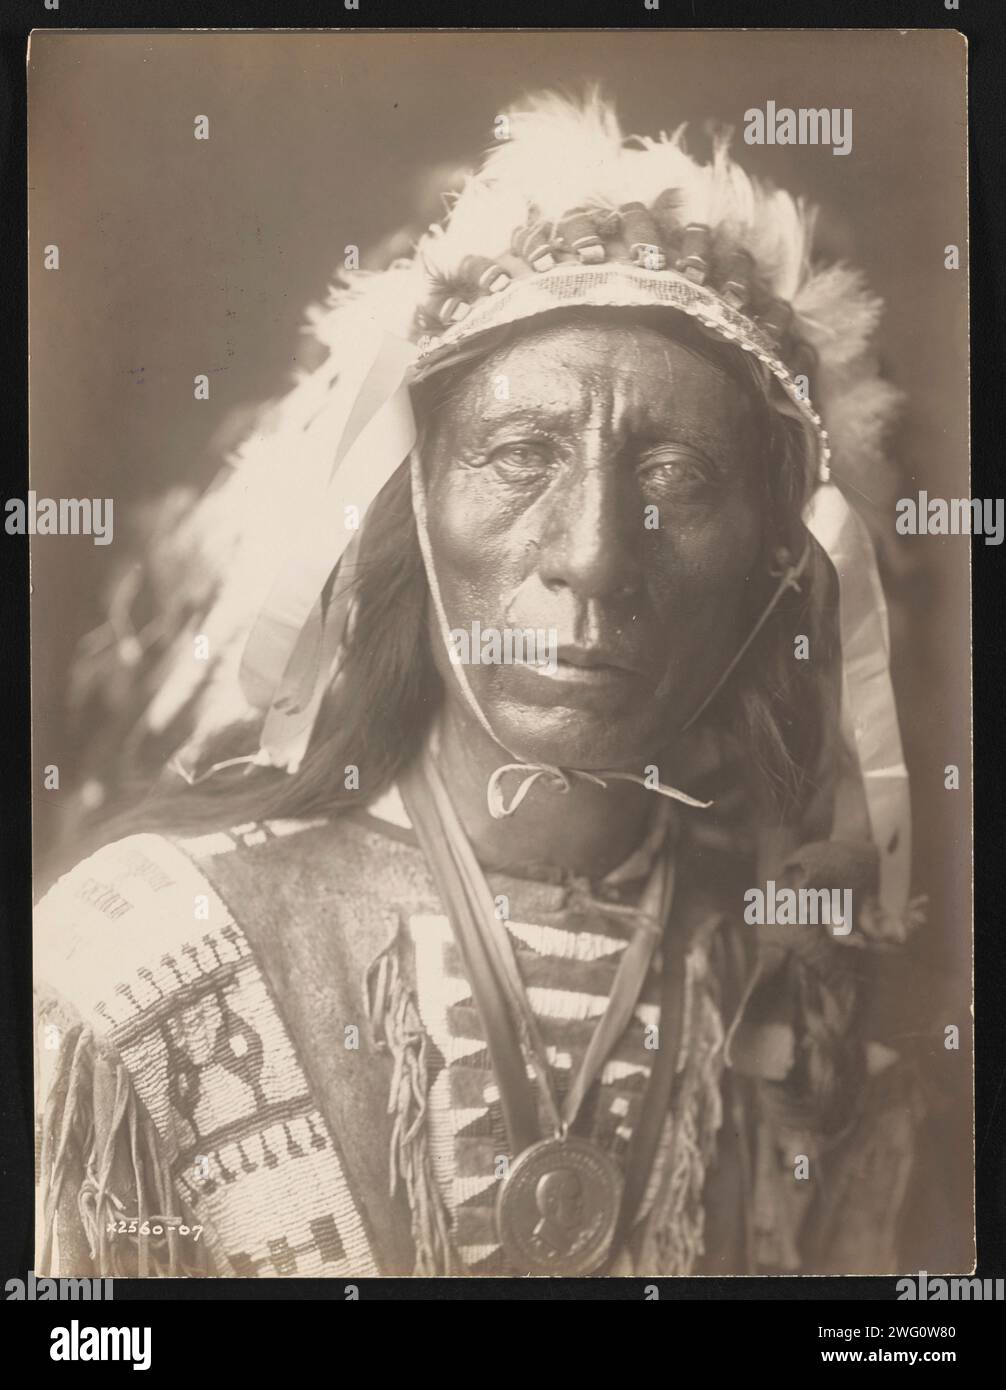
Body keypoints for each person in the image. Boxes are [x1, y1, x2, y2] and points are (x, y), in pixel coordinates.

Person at [35, 93, 925, 1279]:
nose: (594, 556)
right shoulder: (143, 963)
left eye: (677, 471)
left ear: (775, 554)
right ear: (415, 505)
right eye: (521, 457)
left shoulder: (802, 998)